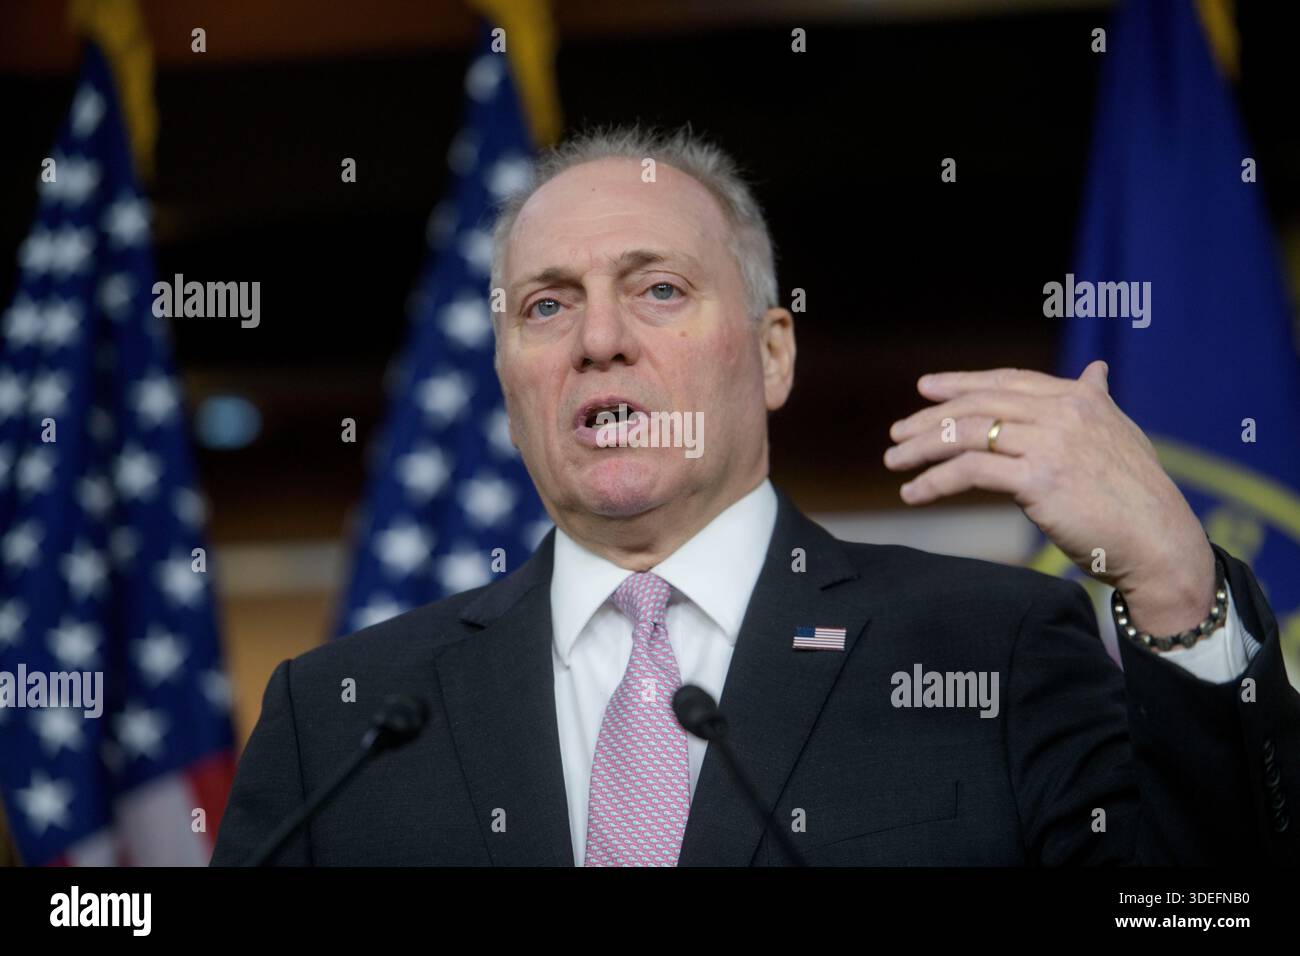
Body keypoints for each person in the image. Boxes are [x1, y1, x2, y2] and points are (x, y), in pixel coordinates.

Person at [211, 126, 1297, 866]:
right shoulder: (341, 714)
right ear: (506, 375)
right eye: (546, 306)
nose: (598, 340)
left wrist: (1171, 580)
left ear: (772, 354)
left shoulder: (992, 647)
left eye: (660, 289)